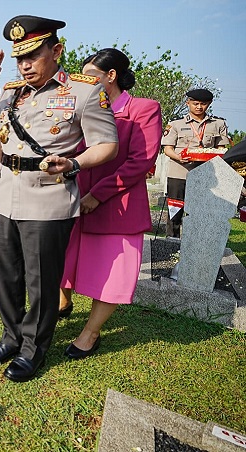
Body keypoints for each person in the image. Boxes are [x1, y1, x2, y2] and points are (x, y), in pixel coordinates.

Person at [0, 15, 119, 382]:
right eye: (20, 58)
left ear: (57, 50)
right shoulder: (10, 94)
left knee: (41, 281)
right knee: (7, 275)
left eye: (33, 55)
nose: (25, 64)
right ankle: (11, 336)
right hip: (6, 196)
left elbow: (107, 145)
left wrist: (74, 162)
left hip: (49, 198)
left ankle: (33, 348)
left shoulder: (84, 91)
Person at [58, 48, 162, 358]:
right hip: (75, 199)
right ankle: (62, 302)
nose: (83, 84)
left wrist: (98, 194)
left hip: (118, 204)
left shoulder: (143, 109)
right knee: (63, 260)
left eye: (91, 77)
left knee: (111, 273)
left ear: (111, 76)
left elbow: (140, 161)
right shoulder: (81, 107)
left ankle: (90, 334)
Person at [161, 88, 230, 238]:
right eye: (195, 103)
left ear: (209, 104)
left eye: (203, 104)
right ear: (188, 103)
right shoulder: (175, 124)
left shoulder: (218, 124)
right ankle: (172, 240)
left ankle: (197, 244)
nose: (199, 107)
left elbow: (221, 148)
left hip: (206, 174)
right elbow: (168, 149)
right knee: (175, 209)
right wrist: (178, 157)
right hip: (179, 171)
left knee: (202, 210)